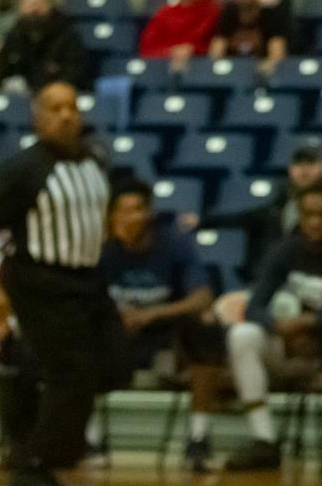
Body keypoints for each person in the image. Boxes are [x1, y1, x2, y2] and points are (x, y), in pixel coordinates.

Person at [0, 84, 122, 486]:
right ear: (38, 117)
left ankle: (22, 381)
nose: (66, 115)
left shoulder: (95, 159)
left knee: (116, 363)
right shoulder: (23, 169)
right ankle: (35, 462)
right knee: (72, 373)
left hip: (89, 281)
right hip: (41, 281)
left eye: (72, 107)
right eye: (55, 108)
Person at [225, 183, 322, 473]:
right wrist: (278, 327)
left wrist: (310, 322)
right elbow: (254, 307)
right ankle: (263, 438)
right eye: (308, 215)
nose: (314, 222)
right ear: (299, 216)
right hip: (294, 345)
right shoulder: (287, 248)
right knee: (242, 335)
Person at [96, 182, 223, 471]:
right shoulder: (102, 251)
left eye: (136, 210)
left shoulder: (174, 244)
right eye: (122, 212)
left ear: (149, 213)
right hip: (117, 338)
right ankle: (89, 439)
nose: (129, 219)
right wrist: (114, 317)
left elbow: (202, 297)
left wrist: (151, 314)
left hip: (166, 337)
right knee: (81, 331)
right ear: (111, 216)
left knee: (204, 328)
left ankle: (199, 437)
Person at [195, 144, 322, 278]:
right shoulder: (275, 209)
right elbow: (241, 218)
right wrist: (202, 220)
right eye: (298, 164)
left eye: (310, 163)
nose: (304, 170)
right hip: (277, 281)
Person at [0, 0, 90, 93]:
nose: (34, 9)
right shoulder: (14, 36)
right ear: (21, 7)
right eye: (29, 3)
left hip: (57, 92)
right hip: (22, 94)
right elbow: (4, 70)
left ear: (49, 5)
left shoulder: (67, 33)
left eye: (39, 3)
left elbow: (75, 69)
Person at [208, 0, 292, 74]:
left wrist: (255, 70)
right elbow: (215, 54)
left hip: (262, 75)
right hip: (230, 74)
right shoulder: (226, 15)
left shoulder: (273, 15)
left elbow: (277, 57)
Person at [137, 0, 221, 66]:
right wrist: (171, 52)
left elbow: (218, 44)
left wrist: (193, 50)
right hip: (165, 65)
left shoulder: (213, 10)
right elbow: (146, 49)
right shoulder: (164, 13)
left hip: (202, 65)